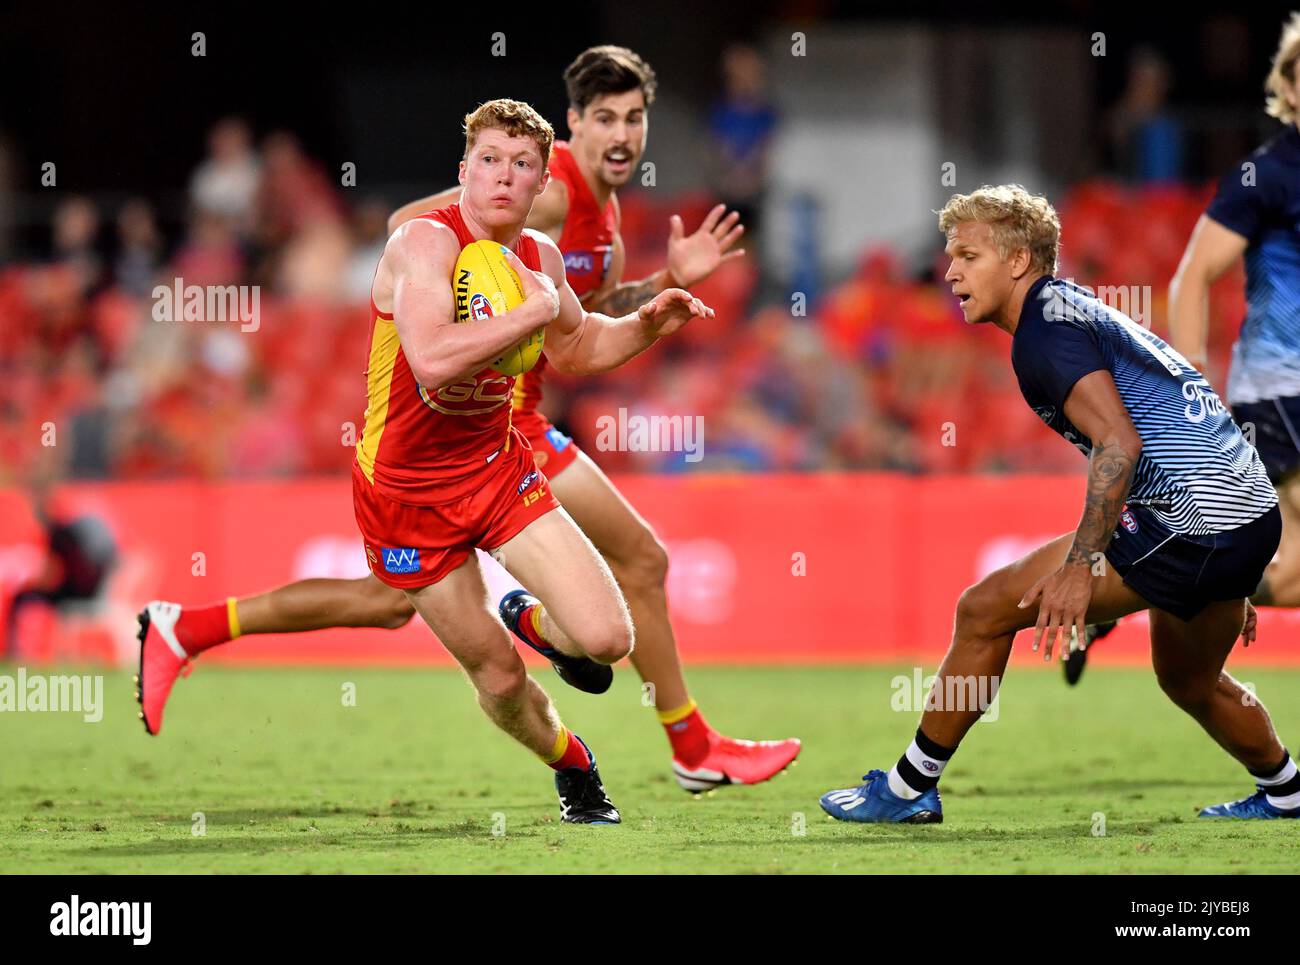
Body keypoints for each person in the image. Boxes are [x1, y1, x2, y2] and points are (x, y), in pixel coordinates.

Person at [139, 46, 801, 794]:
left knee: (411, 604)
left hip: (499, 448)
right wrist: (483, 285)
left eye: (636, 119)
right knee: (614, 574)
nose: (622, 135)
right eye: (605, 118)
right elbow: (428, 267)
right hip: (450, 454)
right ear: (573, 126)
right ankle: (658, 736)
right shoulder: (543, 201)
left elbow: (578, 331)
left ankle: (187, 627)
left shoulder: (596, 225)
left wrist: (661, 293)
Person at [821, 185, 1294, 823]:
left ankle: (907, 791)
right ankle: (1289, 793)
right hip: (1243, 511)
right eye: (949, 256)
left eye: (967, 255)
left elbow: (1118, 445)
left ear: (1018, 261)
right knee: (1188, 680)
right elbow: (1179, 397)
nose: (950, 271)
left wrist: (1079, 565)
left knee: (985, 610)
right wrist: (1234, 555)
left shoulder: (1045, 334)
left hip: (1198, 520)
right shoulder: (1073, 310)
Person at [1070, 13, 1300, 685]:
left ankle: (1133, 581)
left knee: (1277, 578)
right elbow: (1195, 272)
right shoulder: (1270, 174)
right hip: (1284, 391)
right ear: (1287, 89)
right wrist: (1193, 383)